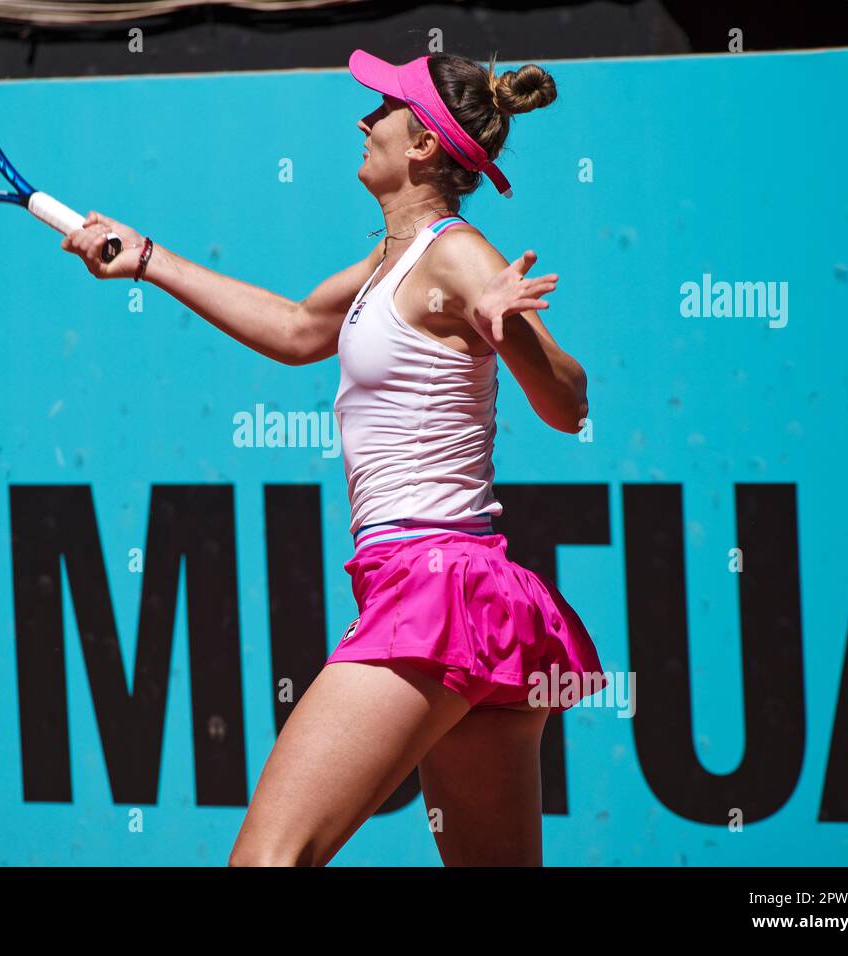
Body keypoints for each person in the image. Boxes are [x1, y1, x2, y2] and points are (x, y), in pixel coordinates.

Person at [60, 48, 605, 867]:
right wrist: (145, 257)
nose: (364, 119)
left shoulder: (459, 256)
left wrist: (512, 329)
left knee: (267, 862)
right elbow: (294, 328)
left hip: (438, 592)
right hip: (467, 597)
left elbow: (569, 404)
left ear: (421, 144)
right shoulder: (390, 263)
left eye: (381, 107)